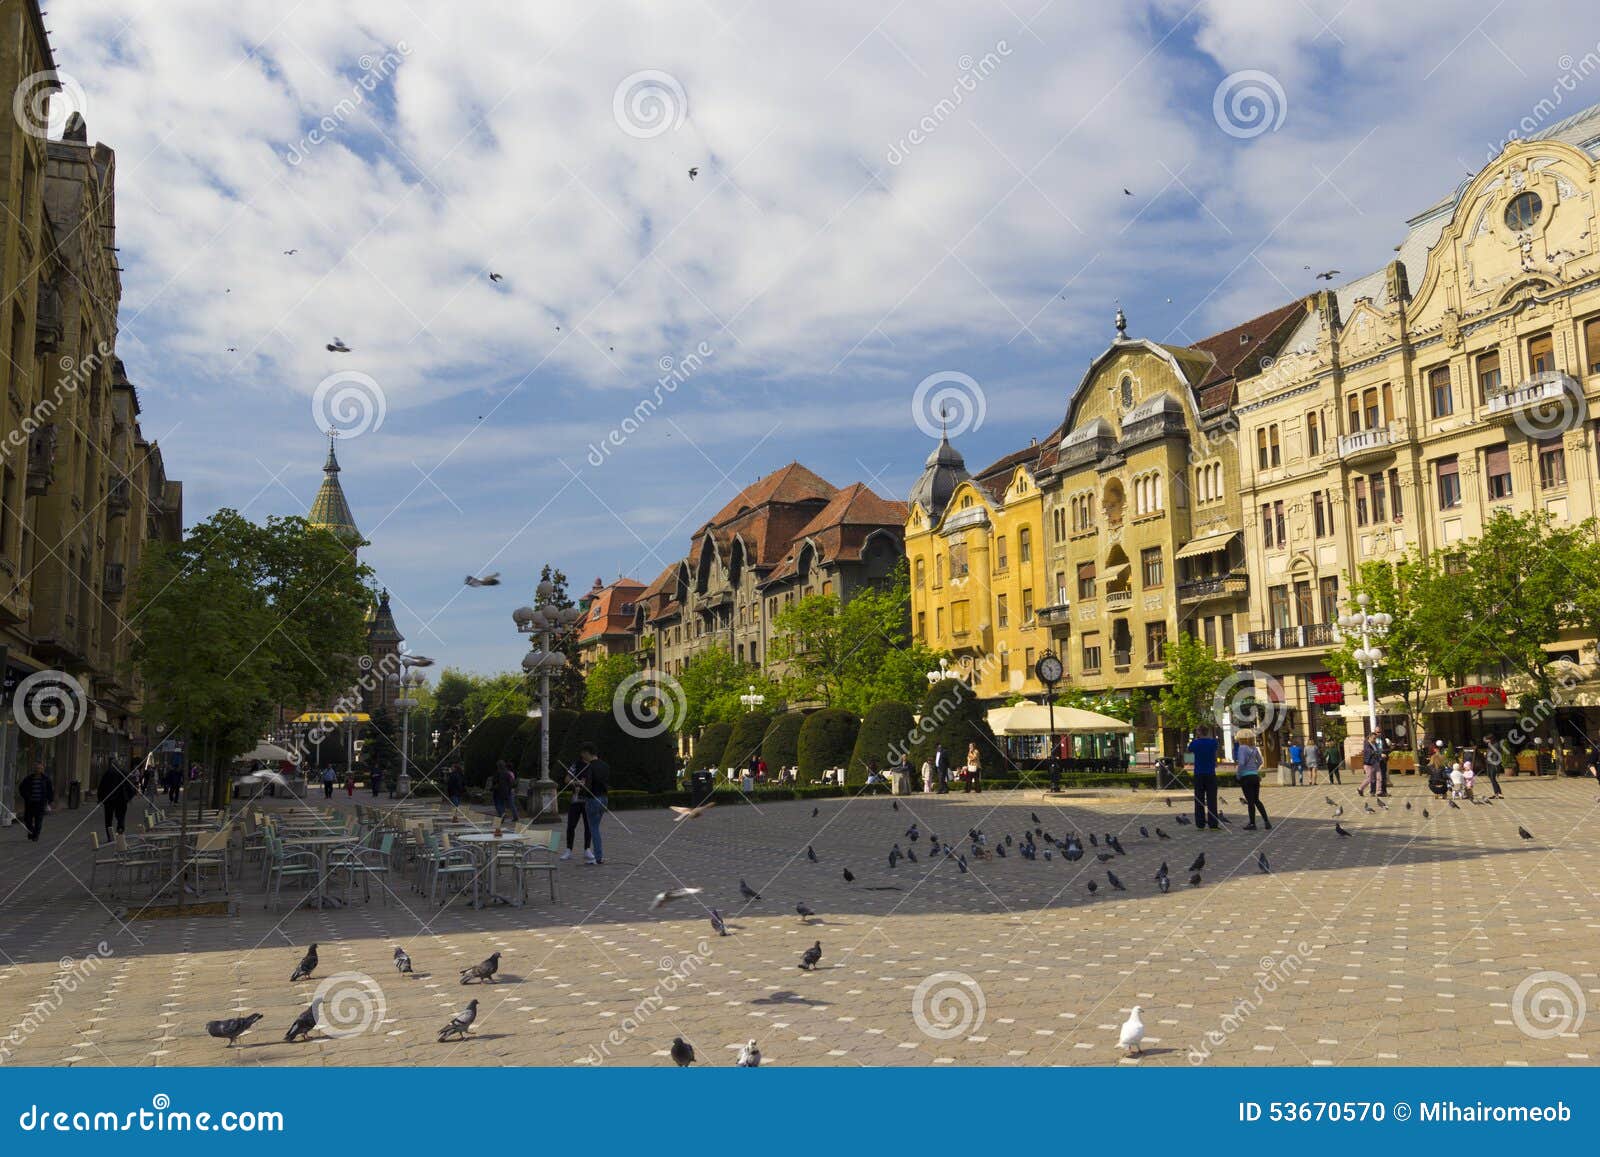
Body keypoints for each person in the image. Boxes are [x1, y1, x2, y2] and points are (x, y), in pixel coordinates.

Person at [576, 742, 609, 865]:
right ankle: (598, 856)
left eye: (583, 754)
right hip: (604, 798)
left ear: (587, 753)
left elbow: (588, 786)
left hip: (593, 799)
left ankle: (598, 857)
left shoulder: (589, 767)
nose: (582, 756)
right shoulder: (605, 765)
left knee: (593, 828)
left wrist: (581, 788)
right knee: (595, 827)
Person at [1187, 725, 1220, 831]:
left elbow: (1189, 750)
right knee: (1212, 799)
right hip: (1210, 773)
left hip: (1199, 774)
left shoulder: (1195, 743)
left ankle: (1200, 824)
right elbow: (1215, 753)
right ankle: (1213, 824)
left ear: (1199, 732)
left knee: (1199, 799)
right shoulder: (1213, 742)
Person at [1235, 731, 1268, 830]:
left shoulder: (1242, 748)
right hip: (1255, 776)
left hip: (1246, 777)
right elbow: (1261, 761)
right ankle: (1266, 821)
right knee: (1256, 800)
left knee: (1250, 801)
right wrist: (1254, 769)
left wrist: (1238, 774)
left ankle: (1252, 823)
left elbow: (1241, 763)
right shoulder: (1254, 748)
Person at [96, 758, 135, 840]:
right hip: (121, 799)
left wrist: (100, 798)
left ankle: (110, 836)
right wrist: (129, 797)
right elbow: (130, 786)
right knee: (121, 815)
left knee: (108, 818)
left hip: (109, 799)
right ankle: (120, 828)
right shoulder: (124, 773)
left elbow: (101, 786)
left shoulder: (108, 773)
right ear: (119, 765)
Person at [560, 761, 591, 862]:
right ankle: (568, 850)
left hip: (588, 800)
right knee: (571, 825)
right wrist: (575, 783)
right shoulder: (575, 765)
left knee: (588, 825)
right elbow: (567, 779)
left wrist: (587, 783)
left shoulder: (592, 765)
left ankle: (587, 849)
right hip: (575, 799)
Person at [17, 763, 53, 841]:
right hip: (30, 803)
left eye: (40, 768)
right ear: (34, 769)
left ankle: (36, 835)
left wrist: (49, 801)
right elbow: (21, 788)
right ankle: (32, 831)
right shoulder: (28, 778)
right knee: (27, 820)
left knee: (38, 820)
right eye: (37, 768)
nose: (38, 770)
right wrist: (26, 797)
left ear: (43, 769)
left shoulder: (46, 779)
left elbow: (50, 790)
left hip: (40, 803)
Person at [1358, 728, 1384, 797]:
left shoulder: (1375, 744)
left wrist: (1380, 756)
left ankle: (1379, 791)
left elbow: (1378, 751)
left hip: (1376, 763)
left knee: (1379, 777)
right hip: (1368, 764)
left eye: (1375, 738)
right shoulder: (1366, 744)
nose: (1374, 740)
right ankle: (1360, 788)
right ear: (1369, 737)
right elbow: (1371, 752)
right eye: (1373, 738)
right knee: (1369, 779)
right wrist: (1379, 754)